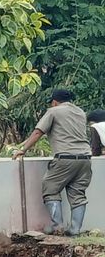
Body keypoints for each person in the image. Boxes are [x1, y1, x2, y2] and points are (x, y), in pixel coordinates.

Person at [13, 89, 92, 235]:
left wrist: (23, 150)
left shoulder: (54, 111)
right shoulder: (80, 112)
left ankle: (57, 227)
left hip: (65, 158)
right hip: (85, 158)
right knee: (78, 194)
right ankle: (75, 230)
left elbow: (38, 132)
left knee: (50, 188)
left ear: (55, 101)